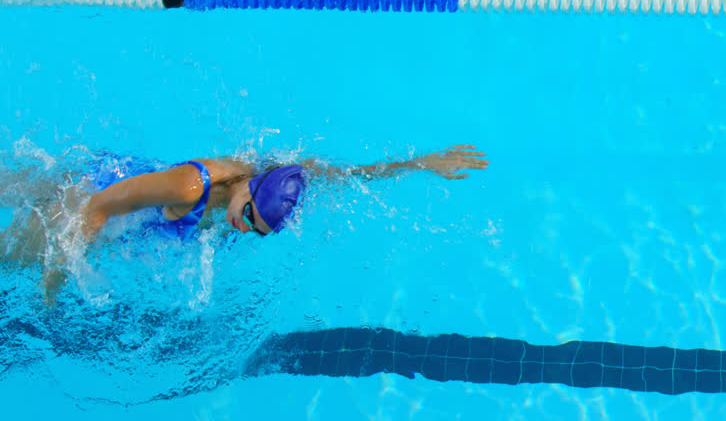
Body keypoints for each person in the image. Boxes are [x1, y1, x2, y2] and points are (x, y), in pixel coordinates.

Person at [0, 144, 488, 303]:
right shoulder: (189, 188)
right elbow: (96, 209)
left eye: (259, 232)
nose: (246, 231)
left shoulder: (265, 174)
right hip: (79, 199)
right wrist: (57, 274)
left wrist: (420, 164)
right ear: (249, 194)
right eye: (250, 219)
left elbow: (341, 176)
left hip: (116, 206)